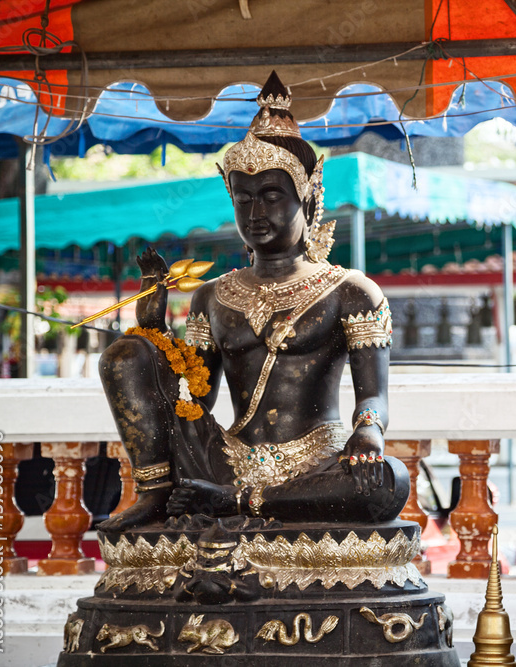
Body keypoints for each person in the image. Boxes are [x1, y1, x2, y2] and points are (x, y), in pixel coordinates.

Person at [98, 72, 407, 532]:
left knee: (386, 481)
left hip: (315, 462)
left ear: (307, 197)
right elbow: (192, 401)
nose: (256, 213)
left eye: (271, 196)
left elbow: (374, 395)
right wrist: (154, 335)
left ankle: (240, 502)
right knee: (126, 354)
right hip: (225, 459)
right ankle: (156, 493)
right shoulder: (213, 296)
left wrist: (368, 430)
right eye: (243, 199)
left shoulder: (350, 291)